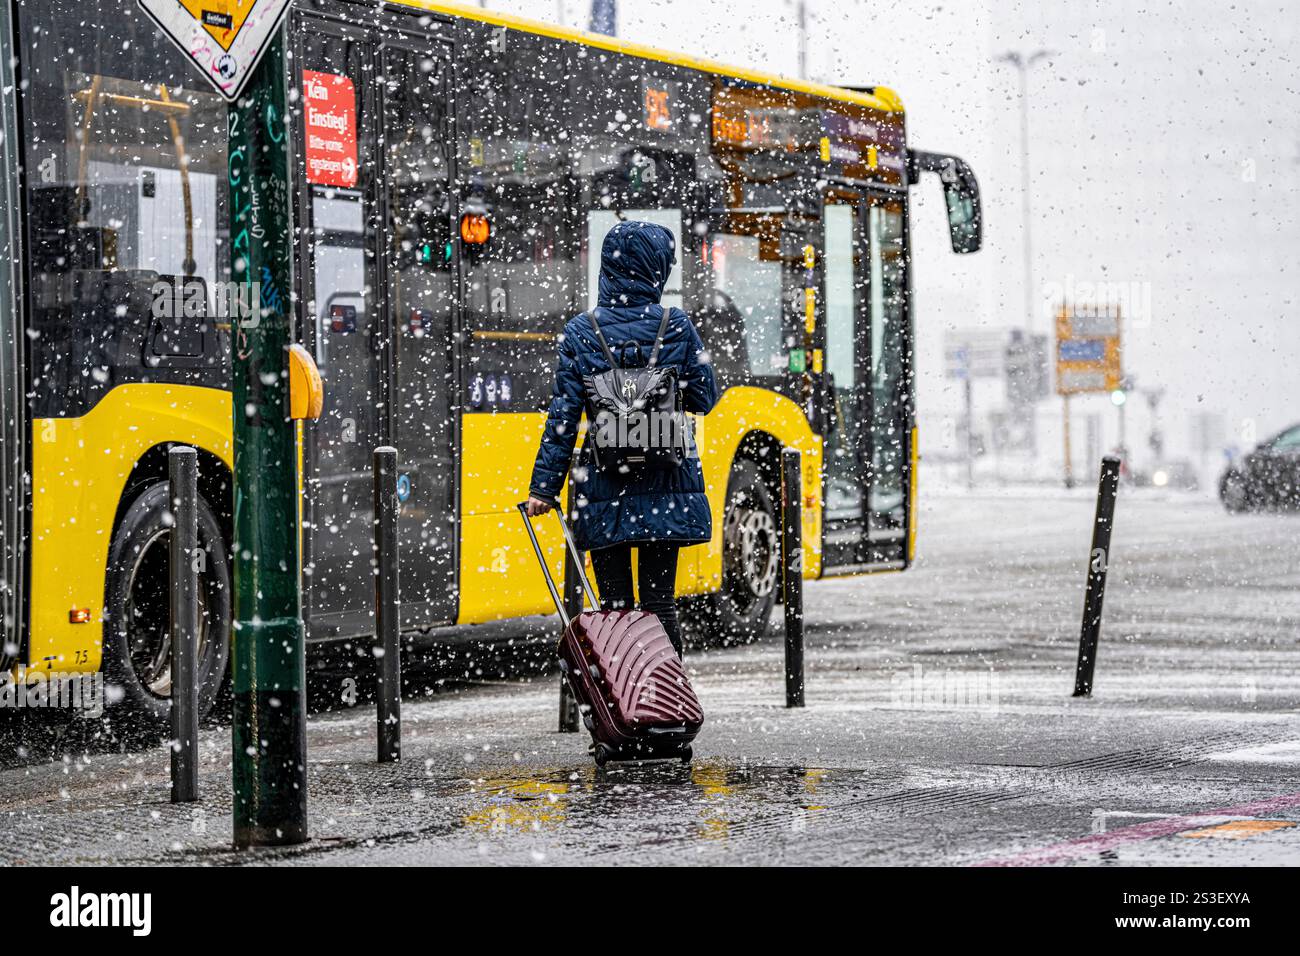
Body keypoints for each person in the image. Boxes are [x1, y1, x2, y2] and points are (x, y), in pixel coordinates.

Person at [526, 220, 719, 656]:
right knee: (659, 604)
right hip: (667, 480)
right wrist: (660, 387)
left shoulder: (581, 331)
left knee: (614, 610)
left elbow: (563, 415)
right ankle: (668, 703)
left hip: (605, 483)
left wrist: (544, 487)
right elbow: (704, 398)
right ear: (656, 269)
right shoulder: (676, 324)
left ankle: (626, 705)